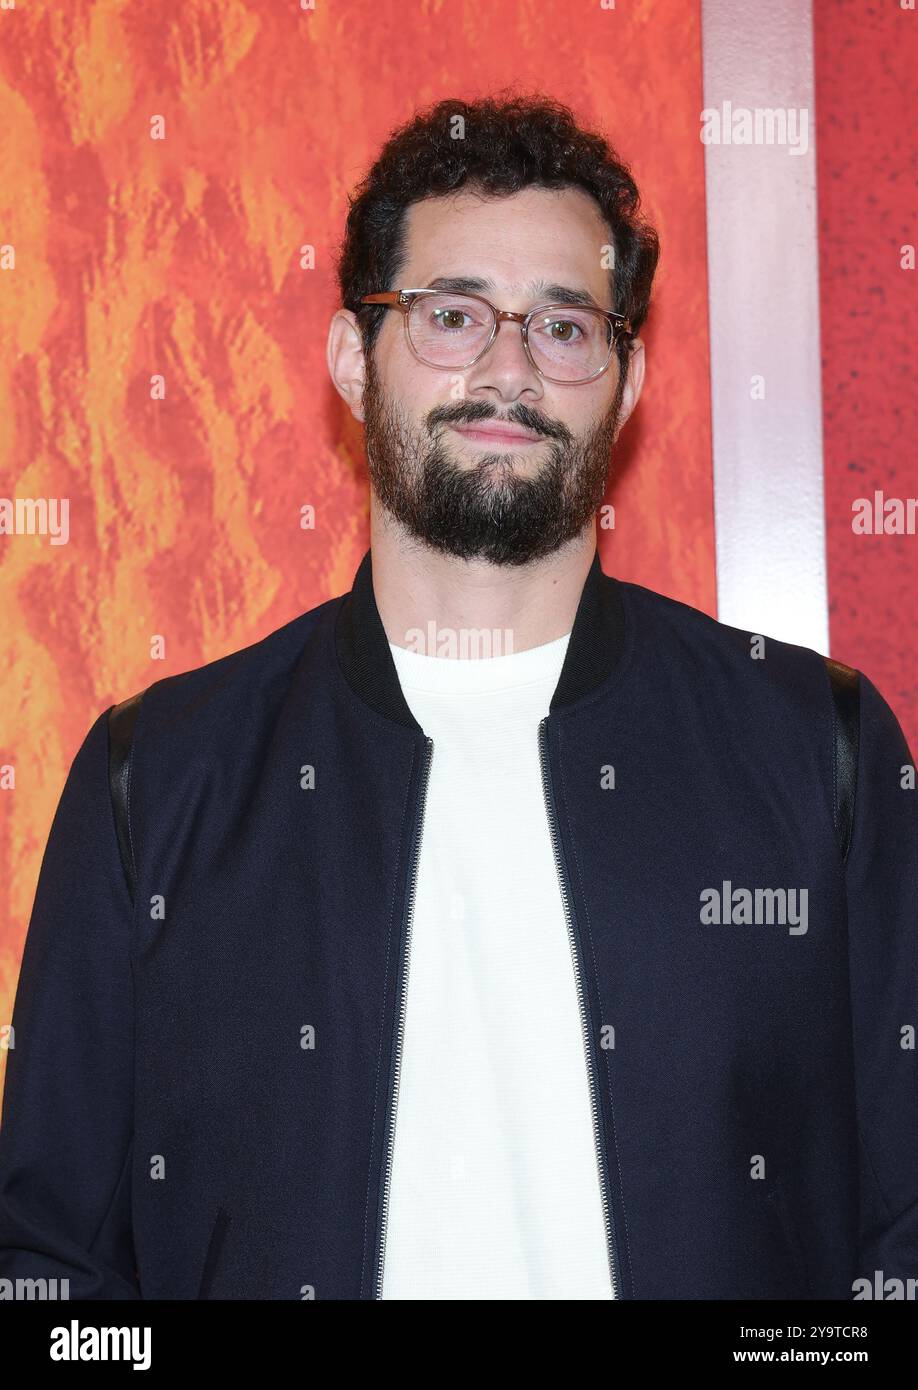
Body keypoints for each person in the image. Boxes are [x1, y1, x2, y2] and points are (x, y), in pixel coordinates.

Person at [1, 93, 916, 1302]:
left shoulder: (823, 751)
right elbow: (51, 1272)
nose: (507, 369)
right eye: (451, 315)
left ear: (626, 379)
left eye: (564, 326)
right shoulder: (155, 778)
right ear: (350, 355)